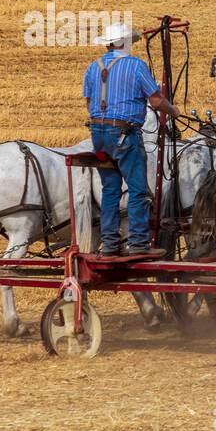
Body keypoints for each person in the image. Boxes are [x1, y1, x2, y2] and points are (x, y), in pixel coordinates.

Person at [81, 22, 181, 256]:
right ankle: (137, 242)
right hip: (125, 134)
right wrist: (173, 110)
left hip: (98, 135)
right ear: (124, 42)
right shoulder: (136, 66)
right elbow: (156, 101)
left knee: (110, 189)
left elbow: (88, 102)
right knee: (137, 189)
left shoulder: (92, 67)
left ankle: (110, 244)